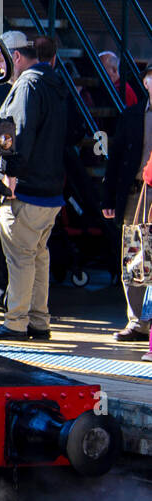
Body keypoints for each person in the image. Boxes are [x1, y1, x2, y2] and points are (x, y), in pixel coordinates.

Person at [0, 32, 68, 342]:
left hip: (26, 190)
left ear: (16, 57)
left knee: (19, 258)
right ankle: (39, 320)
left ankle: (15, 322)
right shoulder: (56, 83)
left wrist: (8, 178)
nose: (1, 65)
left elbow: (13, 135)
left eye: (3, 58)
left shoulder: (28, 85)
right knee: (38, 257)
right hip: (51, 191)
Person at [102, 64, 152, 353]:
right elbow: (115, 158)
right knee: (135, 260)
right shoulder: (132, 116)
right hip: (135, 194)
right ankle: (137, 322)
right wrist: (108, 197)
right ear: (145, 83)